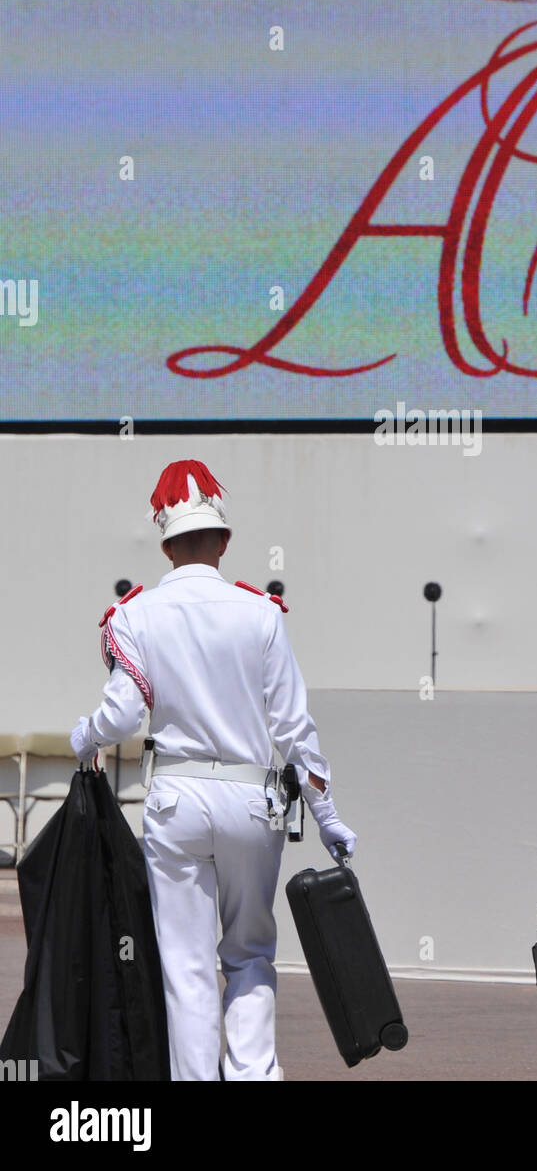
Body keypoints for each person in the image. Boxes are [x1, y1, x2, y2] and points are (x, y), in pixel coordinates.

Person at [70, 458, 356, 1081]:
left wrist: (83, 736)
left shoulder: (134, 614)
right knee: (250, 951)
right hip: (253, 801)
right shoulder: (259, 612)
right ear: (224, 540)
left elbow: (119, 718)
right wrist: (329, 815)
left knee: (187, 963)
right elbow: (293, 728)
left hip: (174, 800)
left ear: (166, 543)